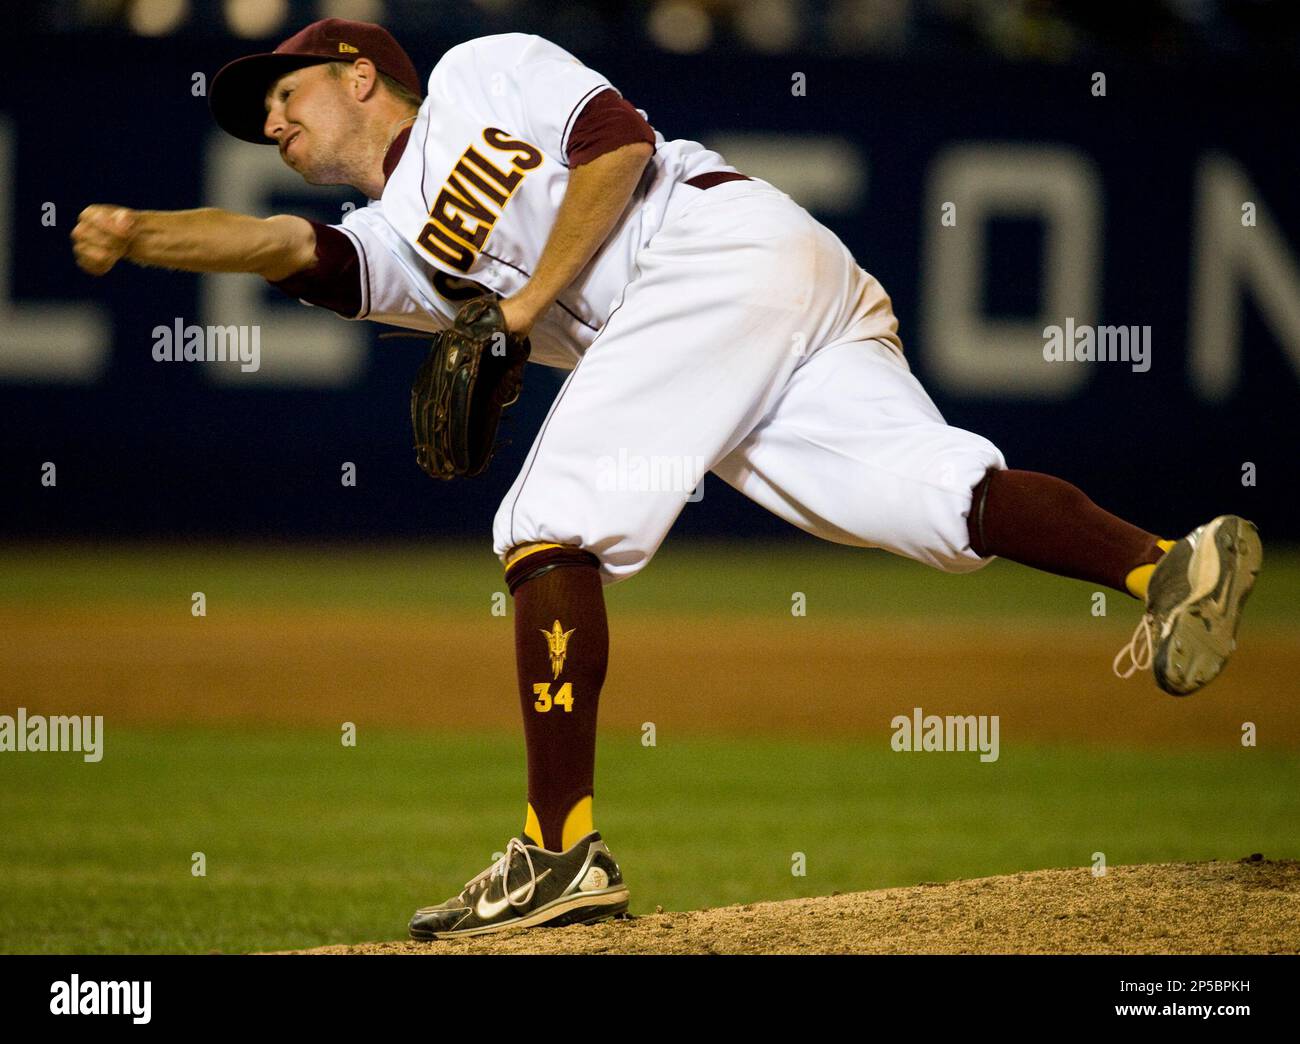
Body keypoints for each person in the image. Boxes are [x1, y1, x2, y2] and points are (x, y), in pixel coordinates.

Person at [70, 18, 1262, 941]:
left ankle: (558, 850)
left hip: (703, 245)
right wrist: (139, 232)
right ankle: (1167, 565)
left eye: (281, 95)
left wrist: (527, 306)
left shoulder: (484, 69)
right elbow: (285, 244)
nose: (270, 125)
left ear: (359, 72)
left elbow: (618, 146)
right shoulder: (396, 244)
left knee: (544, 522)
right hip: (764, 293)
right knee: (930, 496)